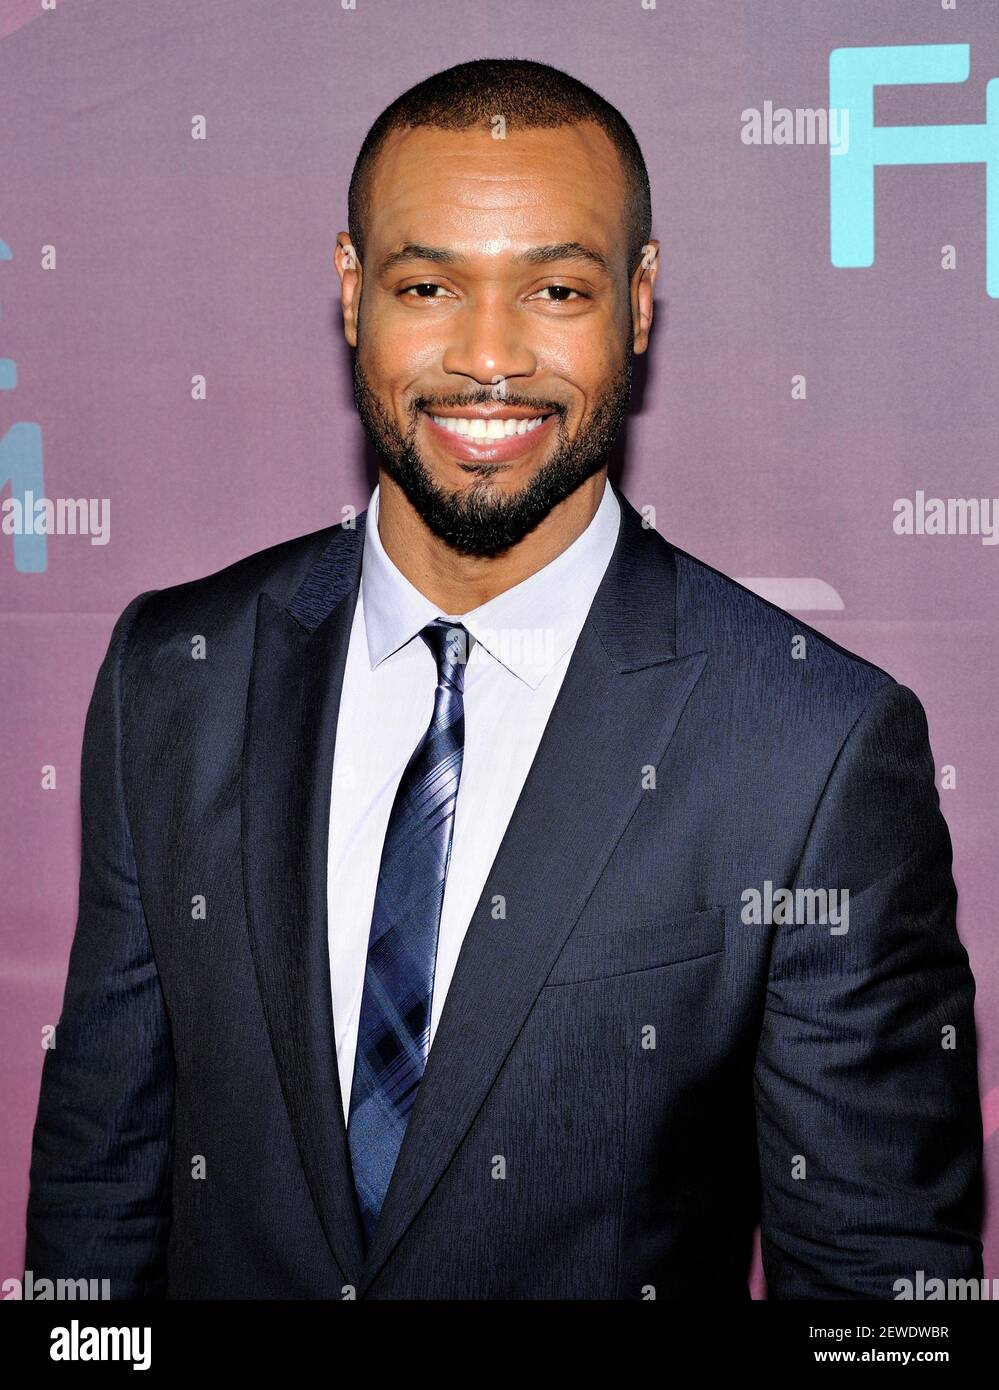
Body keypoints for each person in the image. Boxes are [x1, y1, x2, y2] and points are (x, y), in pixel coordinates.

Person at [25, 58, 982, 1300]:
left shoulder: (813, 746)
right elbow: (102, 1195)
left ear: (638, 301)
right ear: (352, 291)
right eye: (429, 284)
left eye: (555, 287)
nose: (488, 356)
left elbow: (877, 1290)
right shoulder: (176, 674)